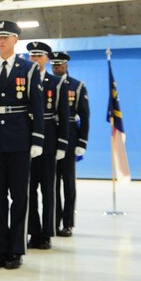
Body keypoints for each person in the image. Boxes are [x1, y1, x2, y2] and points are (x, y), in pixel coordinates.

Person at [0, 21, 44, 270]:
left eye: (5, 37)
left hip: (19, 140)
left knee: (19, 197)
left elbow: (37, 105)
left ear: (16, 40)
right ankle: (0, 249)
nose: (1, 41)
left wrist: (37, 138)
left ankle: (16, 250)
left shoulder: (28, 68)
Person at [26, 42, 68, 250]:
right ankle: (33, 231)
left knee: (48, 189)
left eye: (39, 56)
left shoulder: (56, 83)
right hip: (27, 141)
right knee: (29, 189)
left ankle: (47, 232)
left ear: (46, 59)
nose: (35, 60)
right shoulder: (23, 79)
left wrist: (62, 144)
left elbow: (64, 116)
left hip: (49, 142)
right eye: (32, 56)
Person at [50, 51, 90, 237]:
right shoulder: (47, 83)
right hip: (51, 136)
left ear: (66, 65)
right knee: (52, 183)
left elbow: (85, 116)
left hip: (70, 139)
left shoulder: (76, 86)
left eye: (60, 64)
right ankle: (54, 221)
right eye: (54, 64)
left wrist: (82, 141)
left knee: (68, 183)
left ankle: (67, 223)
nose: (56, 67)